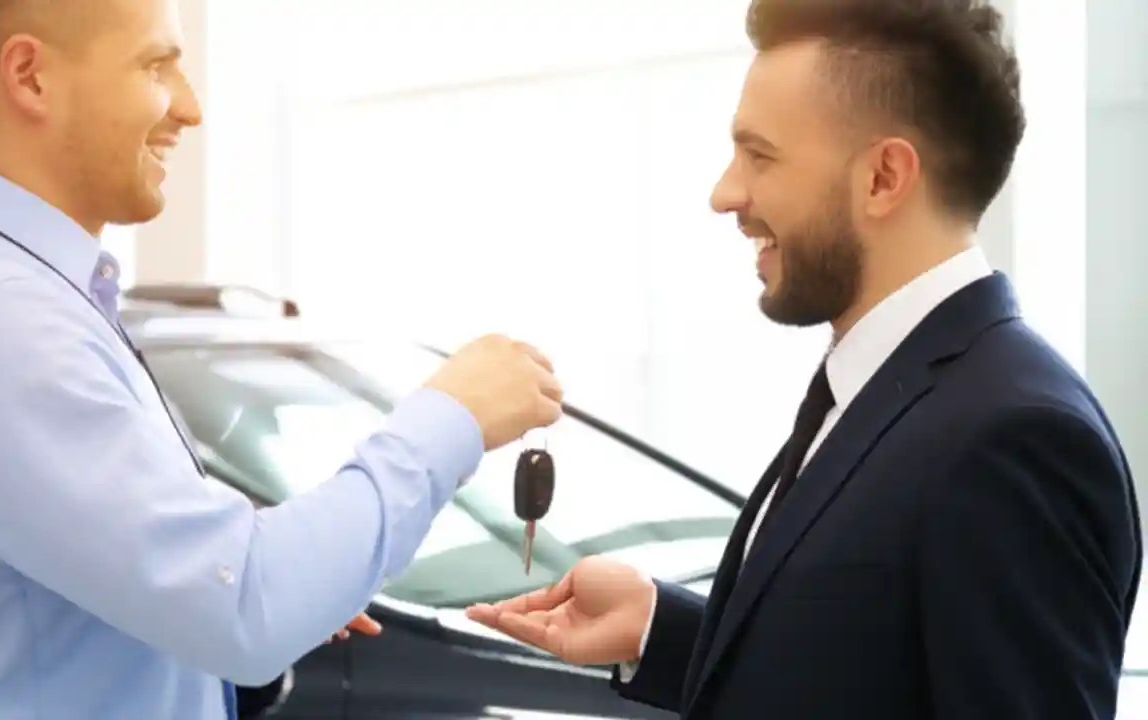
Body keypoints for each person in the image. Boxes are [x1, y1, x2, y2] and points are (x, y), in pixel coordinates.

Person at [0, 1, 562, 718]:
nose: (190, 109)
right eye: (155, 65)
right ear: (30, 76)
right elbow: (246, 606)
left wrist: (264, 594)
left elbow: (124, 585)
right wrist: (454, 415)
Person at [467, 1, 1143, 718]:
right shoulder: (884, 388)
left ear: (884, 177)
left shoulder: (1014, 439)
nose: (725, 193)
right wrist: (661, 628)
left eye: (760, 156)